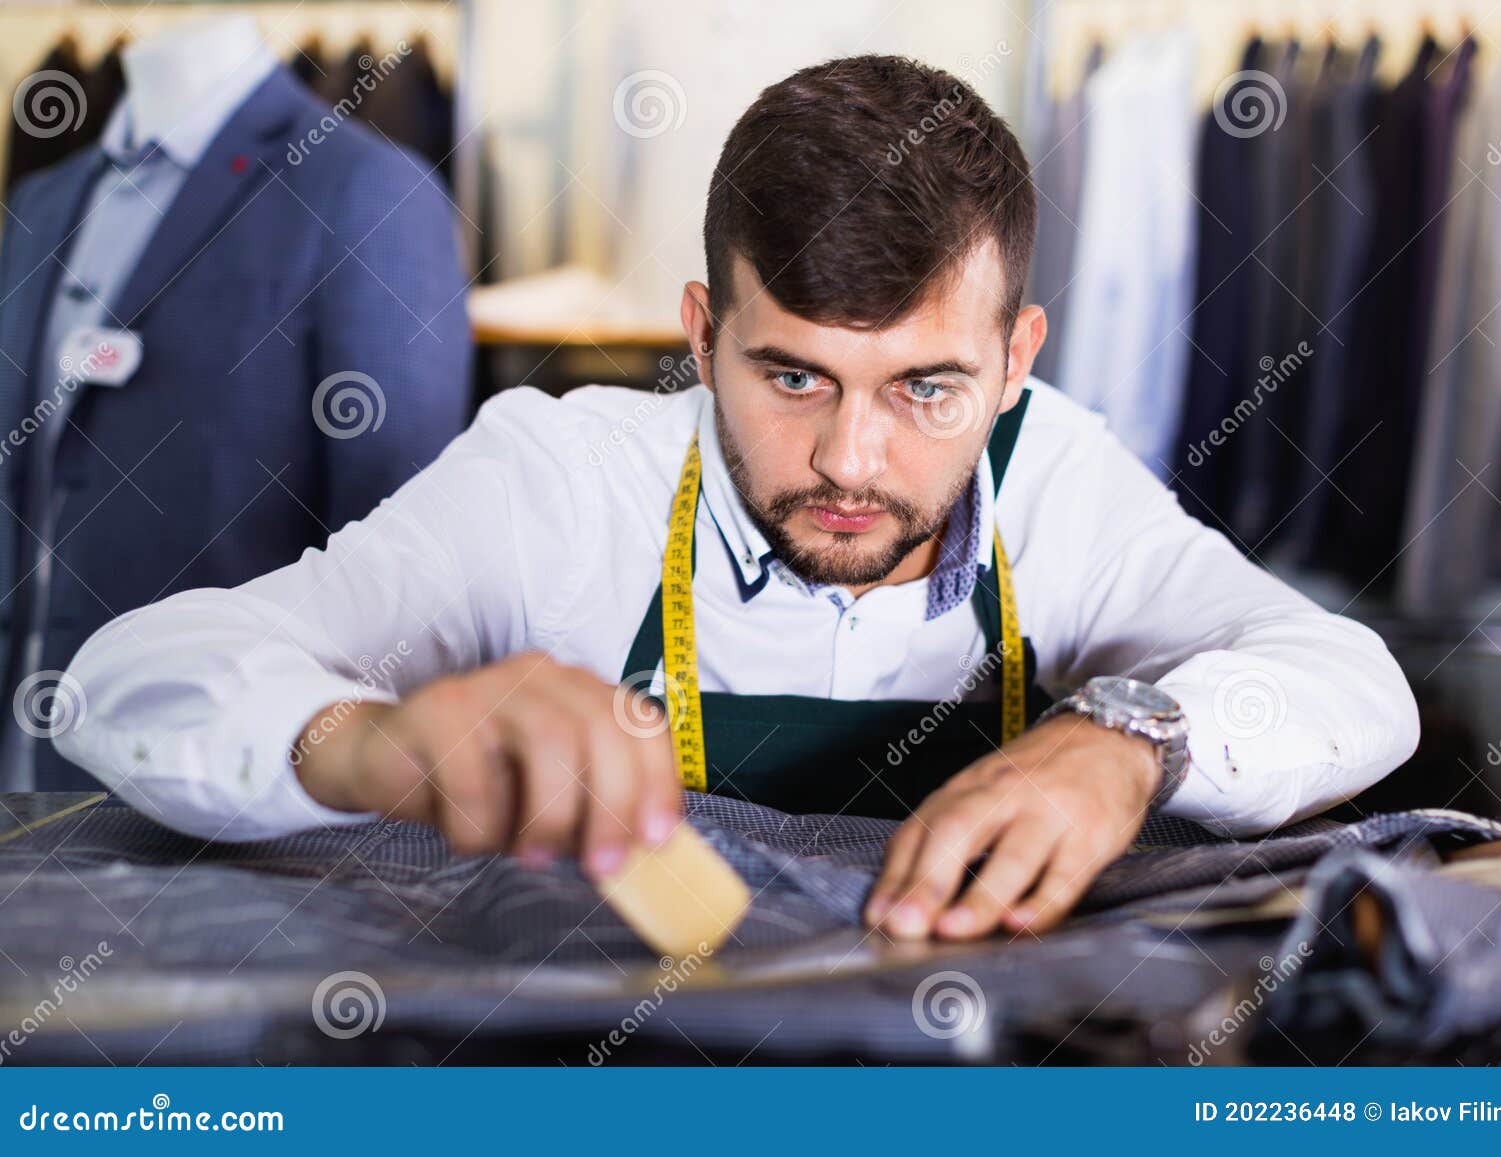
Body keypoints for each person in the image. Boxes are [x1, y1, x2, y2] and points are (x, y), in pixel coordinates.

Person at [56, 55, 1418, 944]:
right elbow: (123, 679)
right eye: (794, 376)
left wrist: (1132, 741)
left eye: (927, 388)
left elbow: (1359, 684)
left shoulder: (1058, 482)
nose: (852, 460)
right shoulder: (559, 480)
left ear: (1017, 363)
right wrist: (368, 743)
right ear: (703, 336)